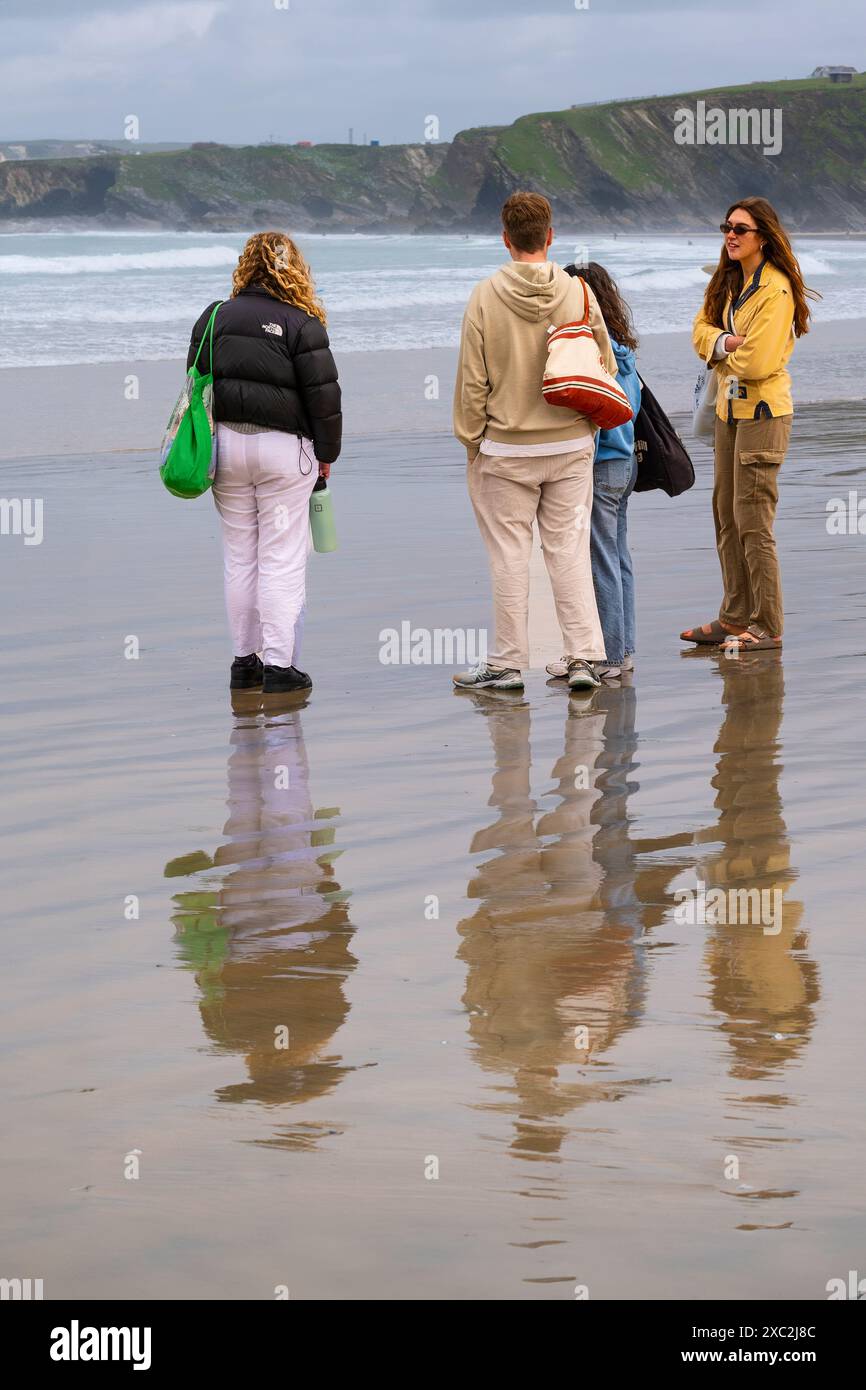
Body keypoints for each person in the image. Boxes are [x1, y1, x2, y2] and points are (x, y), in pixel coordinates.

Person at [452, 192, 617, 693]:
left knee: (509, 555)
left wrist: (472, 440)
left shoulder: (484, 295)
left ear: (505, 238)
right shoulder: (581, 294)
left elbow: (472, 381)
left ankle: (505, 665)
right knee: (567, 551)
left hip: (505, 448)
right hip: (569, 445)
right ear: (549, 236)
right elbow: (605, 369)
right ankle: (583, 658)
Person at [186, 231, 341, 694]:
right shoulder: (301, 324)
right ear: (292, 269)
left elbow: (197, 387)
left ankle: (244, 663)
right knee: (281, 557)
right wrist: (327, 456)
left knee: (239, 556)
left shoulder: (212, 318)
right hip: (283, 454)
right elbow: (325, 399)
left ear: (245, 266)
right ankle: (278, 667)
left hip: (226, 450)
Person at [683, 197, 815, 653]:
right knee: (725, 515)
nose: (731, 235)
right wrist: (723, 342)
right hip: (727, 412)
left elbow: (757, 362)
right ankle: (735, 615)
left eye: (741, 228)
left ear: (764, 236)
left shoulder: (775, 290)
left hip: (763, 414)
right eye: (726, 227)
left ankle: (767, 625)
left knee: (753, 521)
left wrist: (721, 355)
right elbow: (699, 330)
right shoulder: (726, 281)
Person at [547, 261, 642, 680]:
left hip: (602, 465)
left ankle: (605, 656)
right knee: (618, 557)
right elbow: (631, 408)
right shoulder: (623, 349)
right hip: (627, 464)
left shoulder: (589, 351)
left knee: (599, 560)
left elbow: (594, 414)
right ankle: (623, 650)